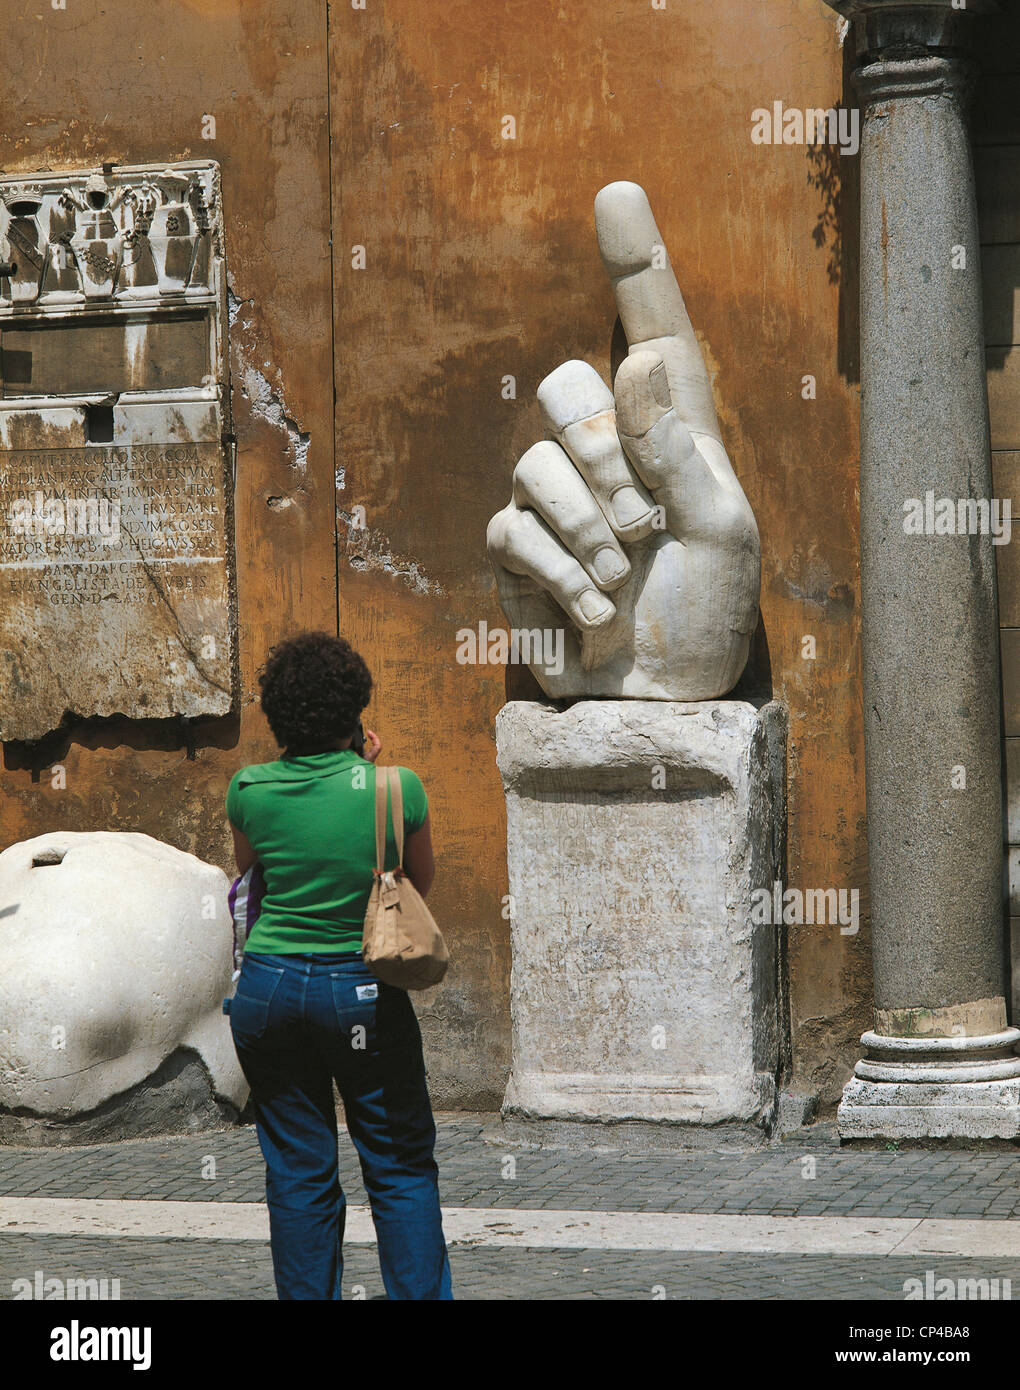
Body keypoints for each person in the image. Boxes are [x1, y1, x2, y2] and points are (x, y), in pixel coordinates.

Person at [224, 630, 452, 1300]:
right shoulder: (394, 787)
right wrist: (367, 773)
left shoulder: (248, 790)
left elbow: (250, 874)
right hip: (361, 993)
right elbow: (417, 886)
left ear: (277, 717)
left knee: (298, 1169)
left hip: (267, 990)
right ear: (356, 707)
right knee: (399, 1165)